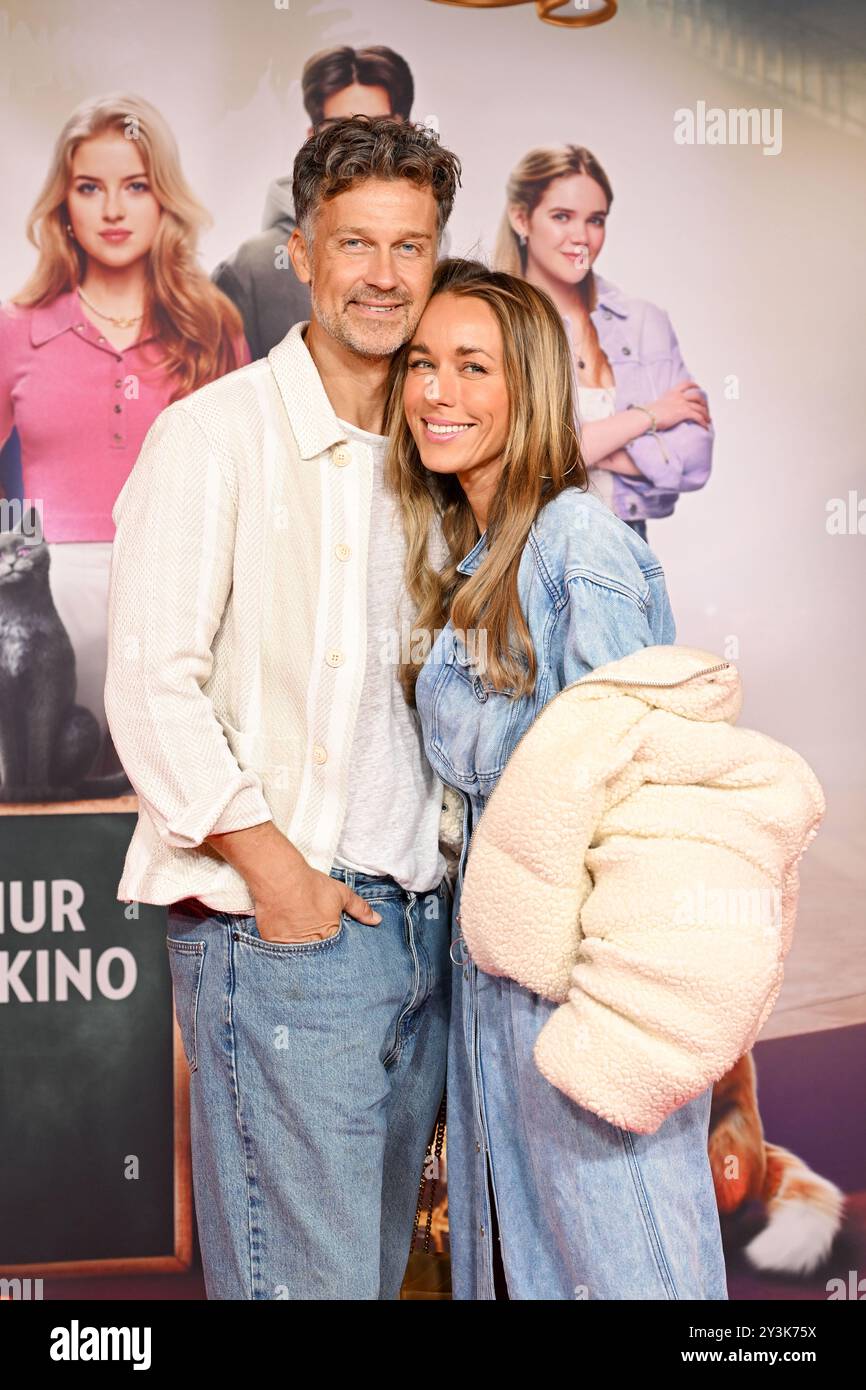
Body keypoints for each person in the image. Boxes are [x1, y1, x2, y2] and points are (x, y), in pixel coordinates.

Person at [104, 116, 463, 1300]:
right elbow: (150, 688)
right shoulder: (211, 439)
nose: (382, 275)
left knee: (365, 1274)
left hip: (420, 931)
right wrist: (282, 880)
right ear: (300, 250)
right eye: (353, 242)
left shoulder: (441, 451)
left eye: (409, 246)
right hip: (288, 928)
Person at [386, 256, 729, 1299]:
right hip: (500, 1007)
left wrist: (613, 1033)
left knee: (637, 1278)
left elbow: (641, 794)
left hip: (584, 1014)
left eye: (470, 366)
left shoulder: (576, 542)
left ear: (527, 385)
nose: (435, 392)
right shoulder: (477, 551)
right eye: (420, 363)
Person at [0, 93, 249, 780]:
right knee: (63, 815)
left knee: (175, 813)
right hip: (50, 607)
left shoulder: (212, 323)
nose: (113, 210)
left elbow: (251, 476)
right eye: (90, 187)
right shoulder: (15, 328)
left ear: (162, 198)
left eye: (135, 186)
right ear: (64, 205)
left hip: (184, 597)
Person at [494, 145, 713, 540]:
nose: (581, 237)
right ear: (521, 218)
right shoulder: (493, 322)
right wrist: (649, 417)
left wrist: (586, 449)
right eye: (562, 217)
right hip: (526, 551)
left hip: (627, 549)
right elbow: (520, 460)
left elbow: (696, 456)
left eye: (595, 220)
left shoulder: (643, 322)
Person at [212, 45, 417, 360]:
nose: (360, 147)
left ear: (409, 129)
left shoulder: (446, 261)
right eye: (339, 130)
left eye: (380, 128)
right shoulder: (252, 270)